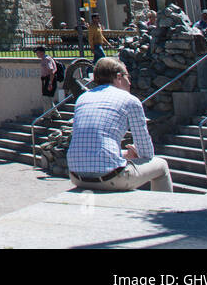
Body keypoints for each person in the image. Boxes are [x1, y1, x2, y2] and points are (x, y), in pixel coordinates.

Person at [66, 57, 173, 193]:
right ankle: (166, 212)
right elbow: (146, 153)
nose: (129, 82)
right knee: (161, 165)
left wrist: (127, 153)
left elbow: (92, 148)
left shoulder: (83, 98)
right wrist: (137, 152)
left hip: (77, 176)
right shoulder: (130, 100)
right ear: (118, 77)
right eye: (128, 77)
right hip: (111, 179)